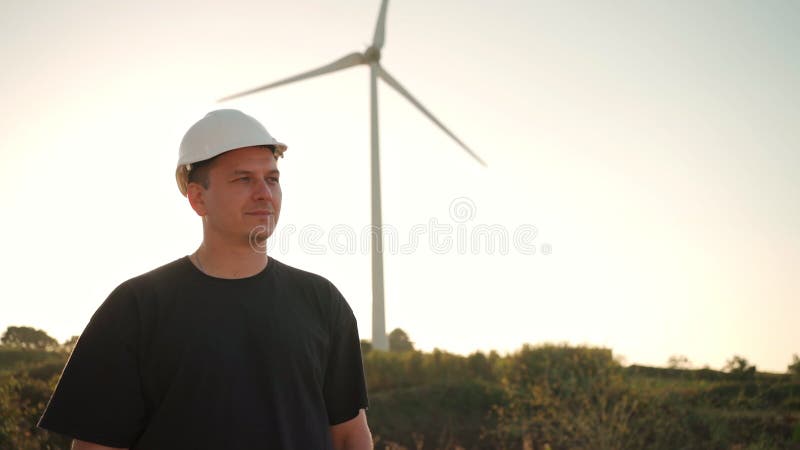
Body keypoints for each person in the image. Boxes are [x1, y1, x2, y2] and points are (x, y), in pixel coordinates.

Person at [37, 109, 372, 450]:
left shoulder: (322, 300)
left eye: (272, 179)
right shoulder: (136, 307)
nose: (264, 193)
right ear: (198, 198)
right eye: (243, 179)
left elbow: (349, 436)